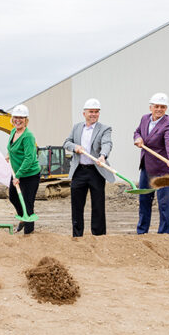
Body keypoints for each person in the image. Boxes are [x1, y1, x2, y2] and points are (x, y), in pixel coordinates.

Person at [63, 98, 115, 237]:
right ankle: (77, 235)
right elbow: (66, 143)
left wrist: (103, 156)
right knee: (77, 205)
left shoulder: (104, 129)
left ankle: (98, 236)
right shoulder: (77, 127)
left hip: (96, 171)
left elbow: (107, 144)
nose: (94, 114)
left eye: (96, 112)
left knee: (98, 205)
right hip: (79, 170)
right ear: (84, 113)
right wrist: (75, 147)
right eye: (91, 111)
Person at [133, 92, 169, 234]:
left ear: (166, 108)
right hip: (146, 167)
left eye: (163, 107)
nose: (159, 109)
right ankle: (141, 232)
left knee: (165, 204)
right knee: (144, 201)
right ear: (151, 107)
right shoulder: (144, 119)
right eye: (157, 106)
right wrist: (138, 138)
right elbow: (137, 132)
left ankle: (164, 235)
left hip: (163, 169)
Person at [6, 104, 41, 235]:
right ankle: (22, 218)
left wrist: (18, 176)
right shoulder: (13, 131)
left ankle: (29, 233)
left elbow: (29, 158)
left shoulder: (28, 136)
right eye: (15, 117)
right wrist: (9, 155)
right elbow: (13, 148)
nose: (18, 120)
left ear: (26, 120)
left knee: (28, 204)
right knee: (13, 197)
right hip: (16, 173)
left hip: (29, 175)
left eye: (21, 118)